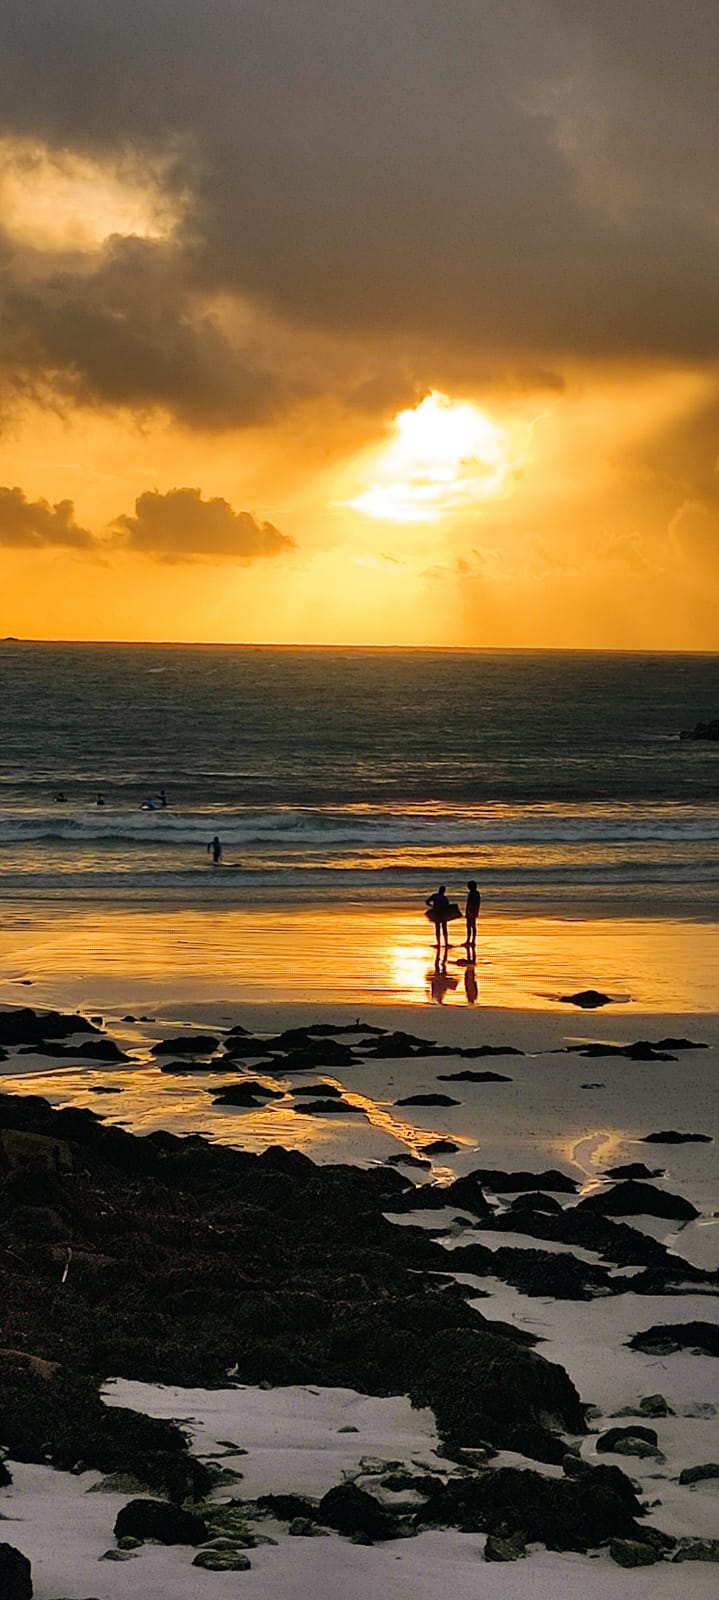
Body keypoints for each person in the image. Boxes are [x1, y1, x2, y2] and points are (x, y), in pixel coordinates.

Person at [426, 883, 450, 953]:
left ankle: (438, 943)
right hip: (443, 914)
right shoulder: (445, 898)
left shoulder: (435, 896)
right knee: (444, 928)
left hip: (436, 913)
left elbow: (427, 902)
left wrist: (431, 907)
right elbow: (447, 907)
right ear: (444, 891)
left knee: (437, 928)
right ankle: (446, 943)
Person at [465, 878, 481, 959]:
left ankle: (469, 940)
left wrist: (468, 912)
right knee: (473, 926)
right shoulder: (477, 893)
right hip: (474, 911)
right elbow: (478, 903)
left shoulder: (472, 894)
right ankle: (472, 940)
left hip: (471, 911)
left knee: (469, 926)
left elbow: (469, 903)